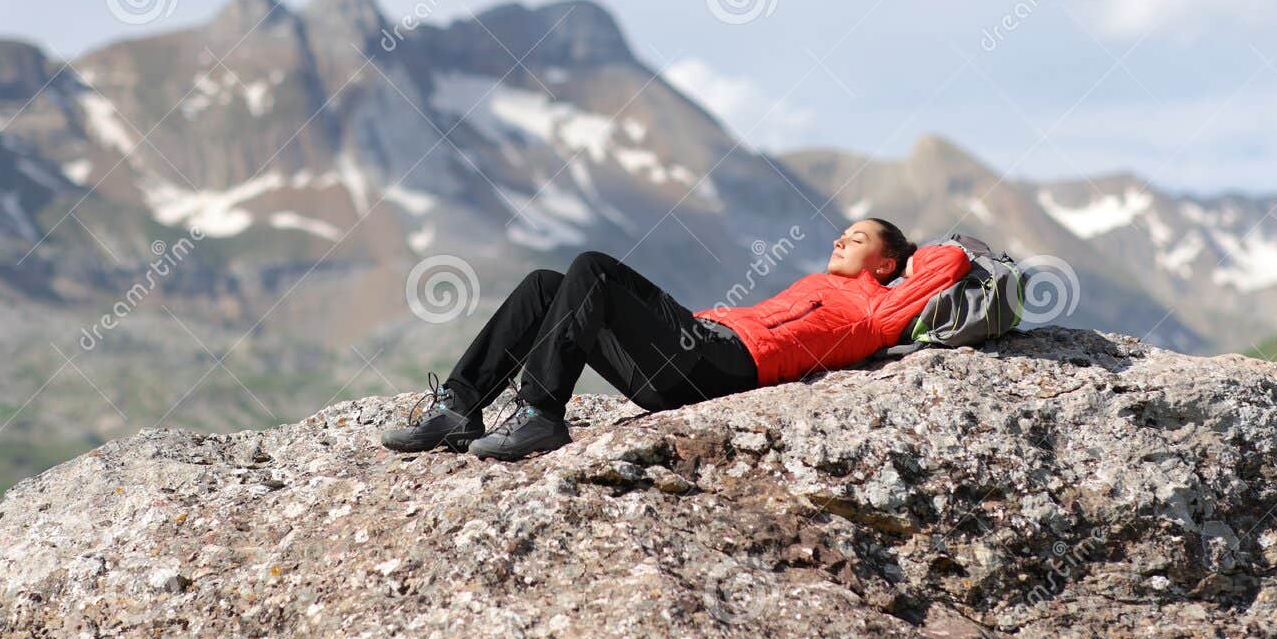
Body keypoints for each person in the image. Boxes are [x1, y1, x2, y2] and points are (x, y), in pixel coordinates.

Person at [380, 218, 972, 461]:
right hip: (687, 358)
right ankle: (460, 406)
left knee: (594, 267)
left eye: (858, 238)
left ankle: (540, 413)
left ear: (887, 263)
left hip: (724, 363)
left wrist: (910, 259)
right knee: (543, 285)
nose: (840, 240)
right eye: (843, 233)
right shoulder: (824, 282)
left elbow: (949, 261)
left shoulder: (878, 307)